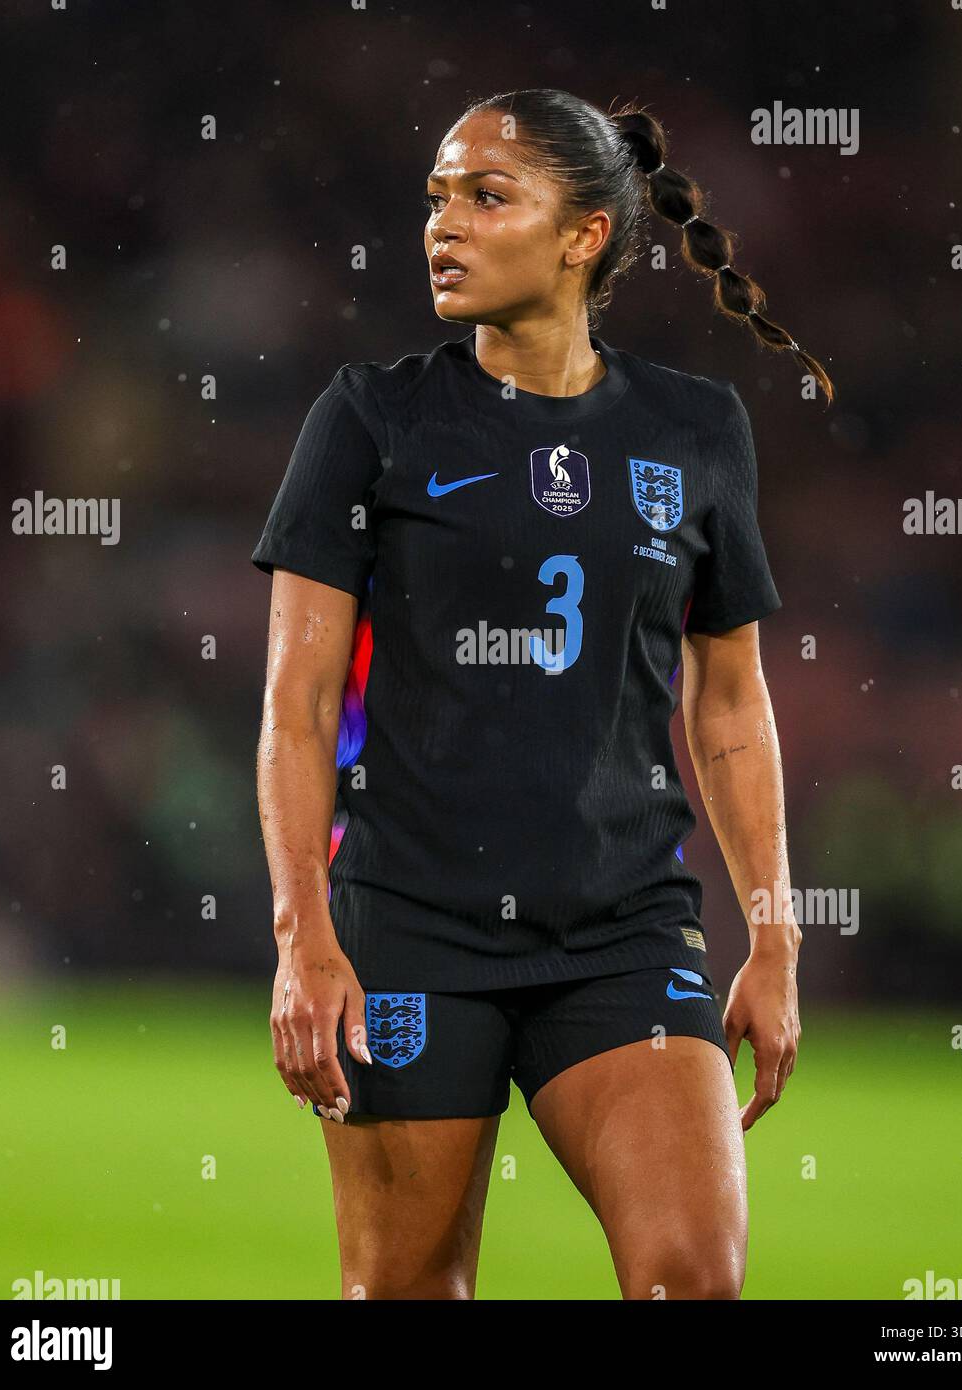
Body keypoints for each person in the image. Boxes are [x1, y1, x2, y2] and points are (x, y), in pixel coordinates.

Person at [252, 88, 832, 1301]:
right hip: (410, 926)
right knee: (408, 1293)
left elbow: (729, 704)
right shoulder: (370, 420)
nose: (441, 226)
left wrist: (774, 933)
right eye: (436, 198)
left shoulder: (696, 428)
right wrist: (305, 935)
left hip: (622, 932)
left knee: (695, 1280)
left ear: (586, 237)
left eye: (484, 195)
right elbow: (298, 706)